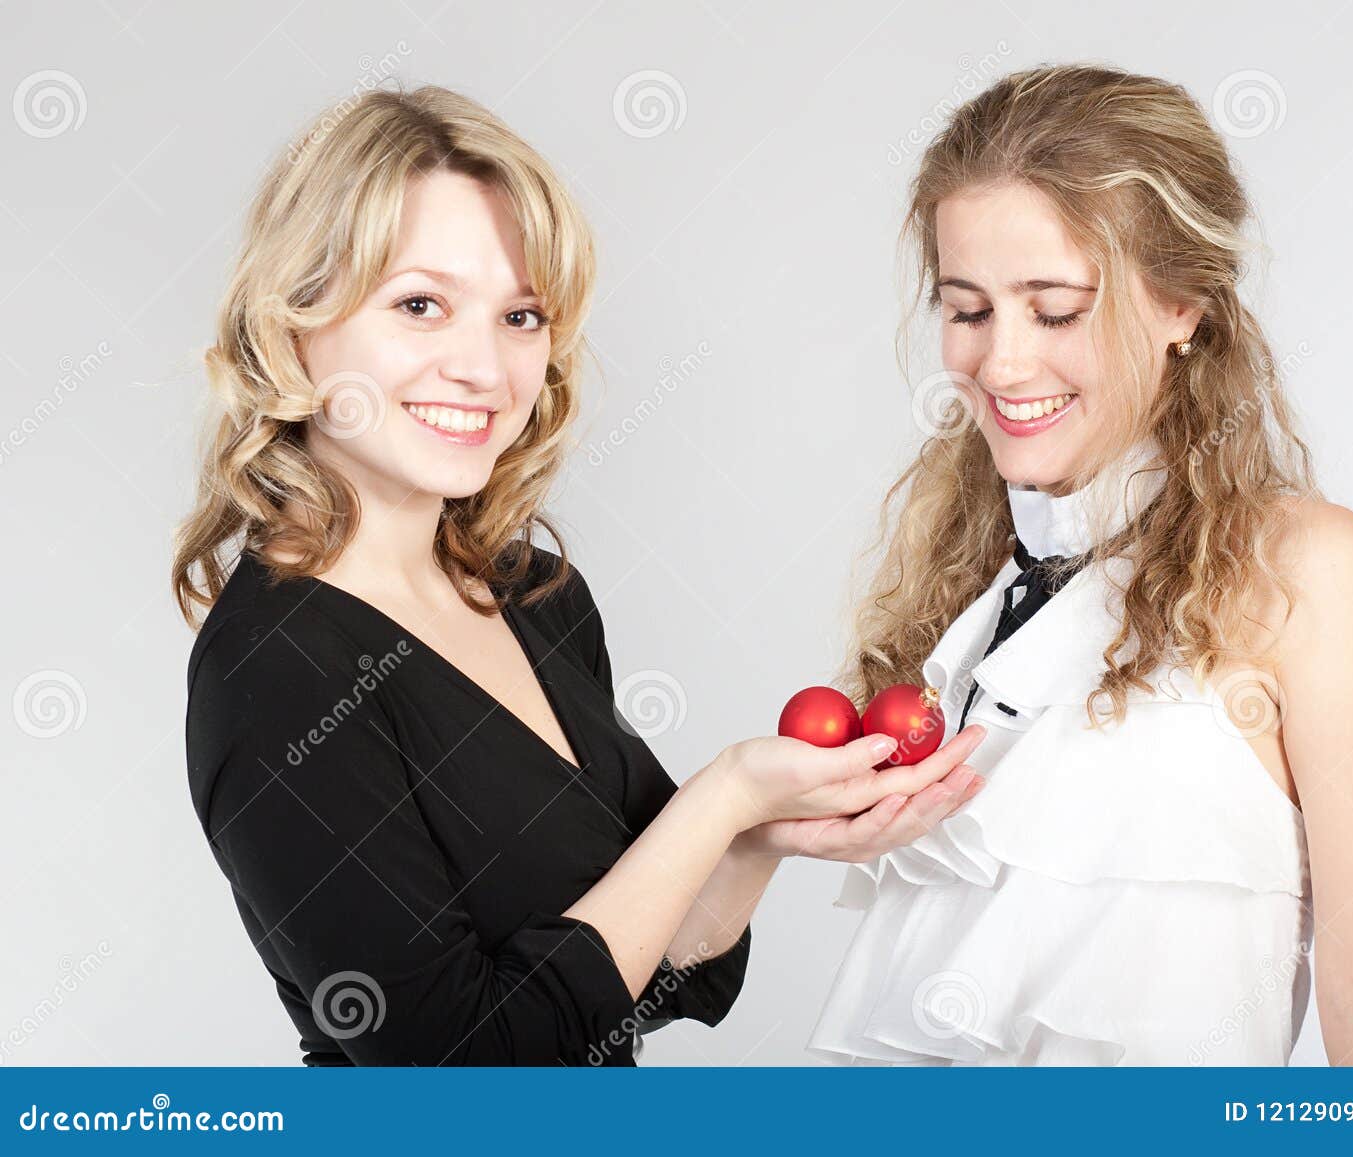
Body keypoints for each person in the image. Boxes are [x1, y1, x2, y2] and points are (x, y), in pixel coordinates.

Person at [172, 85, 986, 1066]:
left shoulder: (538, 595)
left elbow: (653, 976)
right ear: (293, 324)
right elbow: (464, 1068)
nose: (484, 368)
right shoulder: (277, 670)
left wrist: (755, 831)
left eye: (521, 315)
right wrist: (721, 796)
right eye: (421, 304)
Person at [808, 65, 1353, 1066]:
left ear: (1181, 303)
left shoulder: (1306, 572)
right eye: (967, 309)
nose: (1001, 363)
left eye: (1056, 310)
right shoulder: (968, 607)